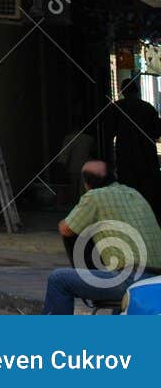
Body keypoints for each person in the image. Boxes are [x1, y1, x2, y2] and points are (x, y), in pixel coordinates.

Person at [43, 159, 161, 313]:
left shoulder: (94, 196)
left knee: (58, 279)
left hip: (129, 278)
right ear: (114, 176)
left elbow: (66, 229)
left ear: (86, 184)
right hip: (155, 280)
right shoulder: (135, 194)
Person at [101, 78, 161, 220]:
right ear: (137, 91)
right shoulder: (148, 108)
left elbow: (108, 133)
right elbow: (157, 132)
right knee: (148, 188)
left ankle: (131, 215)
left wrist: (108, 159)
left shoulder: (116, 108)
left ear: (122, 91)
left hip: (125, 155)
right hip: (147, 155)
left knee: (128, 187)